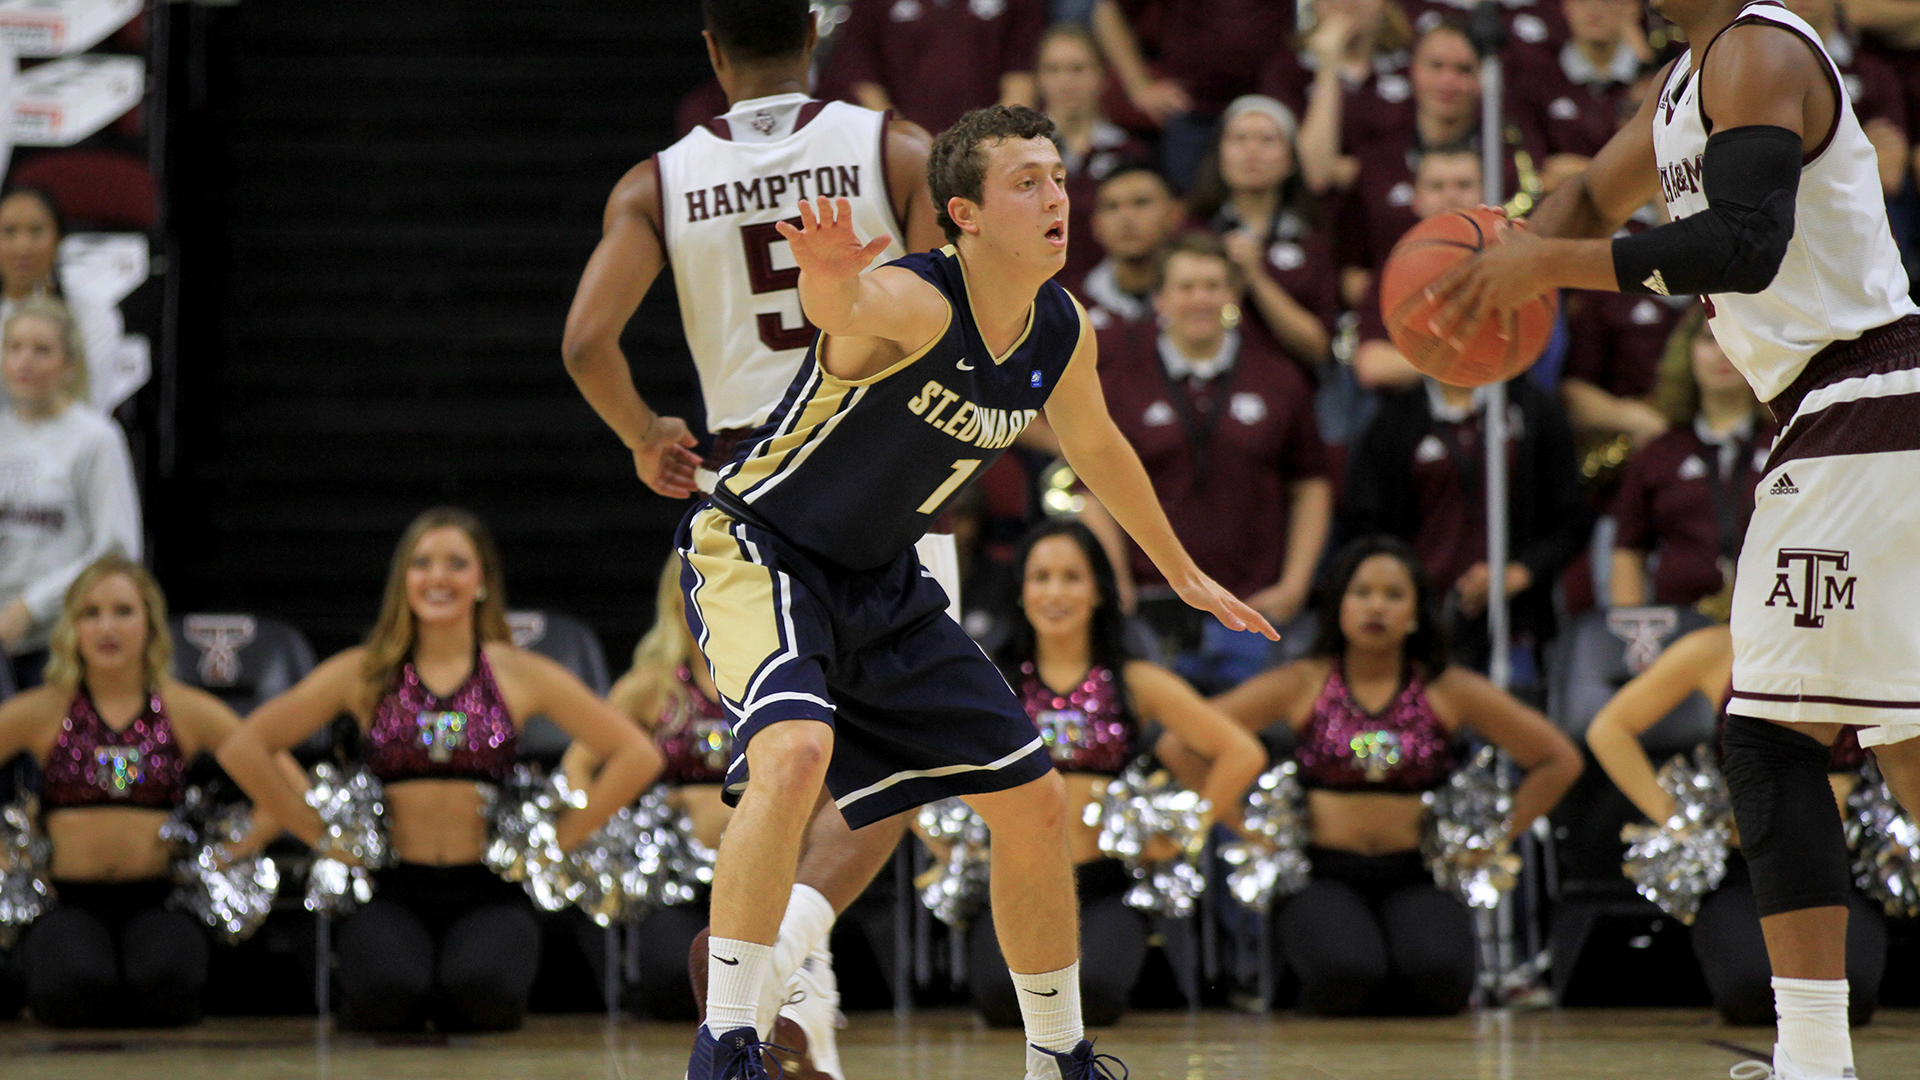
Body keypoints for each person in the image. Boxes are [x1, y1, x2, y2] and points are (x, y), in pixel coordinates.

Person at [678, 103, 1274, 1080]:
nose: (1056, 198)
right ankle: (729, 1043)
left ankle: (1059, 1058)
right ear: (964, 213)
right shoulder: (918, 301)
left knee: (1034, 801)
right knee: (793, 754)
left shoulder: (1059, 326)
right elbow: (848, 319)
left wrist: (1182, 570)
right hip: (766, 547)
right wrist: (829, 283)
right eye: (1027, 183)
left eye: (1058, 176)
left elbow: (1098, 448)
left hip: (884, 577)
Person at [1431, 0, 1920, 1071]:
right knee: (1899, 735)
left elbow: (1744, 247)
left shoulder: (1758, 50)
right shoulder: (1681, 89)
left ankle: (1814, 1058)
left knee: (1771, 735)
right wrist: (1489, 262)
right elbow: (1584, 195)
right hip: (1851, 417)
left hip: (1861, 404)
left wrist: (1547, 272)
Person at [559, 2, 952, 1071]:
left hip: (748, 482)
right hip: (876, 470)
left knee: (787, 762)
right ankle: (787, 947)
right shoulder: (894, 149)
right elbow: (948, 313)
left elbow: (587, 340)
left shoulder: (655, 181)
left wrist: (645, 434)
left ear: (713, 51)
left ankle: (792, 1005)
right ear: (814, 38)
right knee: (906, 765)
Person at [216, 508, 660, 1033]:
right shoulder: (366, 671)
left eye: (457, 563)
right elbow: (246, 747)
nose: (438, 577)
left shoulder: (517, 672)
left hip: (490, 888)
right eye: (422, 563)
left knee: (482, 999)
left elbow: (638, 753)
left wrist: (562, 838)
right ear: (403, 580)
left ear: (482, 583)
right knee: (389, 999)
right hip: (389, 887)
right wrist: (316, 832)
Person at [1215, 536, 1582, 1015]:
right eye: (1362, 592)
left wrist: (1494, 837)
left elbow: (1559, 760)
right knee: (1345, 975)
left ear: (1415, 611)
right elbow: (1185, 741)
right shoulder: (1301, 681)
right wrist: (1243, 825)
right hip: (1320, 874)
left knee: (1440, 982)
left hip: (1418, 873)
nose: (1376, 607)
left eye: (1393, 595)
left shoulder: (1447, 687)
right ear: (1338, 605)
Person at [966, 520, 1265, 1026]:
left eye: (1072, 577)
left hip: (1106, 885)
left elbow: (1241, 752)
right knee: (1001, 1003)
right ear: (1020, 591)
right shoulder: (991, 677)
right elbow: (912, 755)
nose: (1055, 592)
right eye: (1041, 577)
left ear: (1099, 592)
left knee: (1097, 998)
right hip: (1015, 883)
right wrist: (941, 837)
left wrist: (1186, 832)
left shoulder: (1134, 678)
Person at [0, 556, 290, 1026]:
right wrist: (7, 857)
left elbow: (284, 787)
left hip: (160, 899)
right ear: (70, 628)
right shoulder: (44, 709)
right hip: (68, 900)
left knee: (167, 990)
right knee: (71, 991)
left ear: (151, 624)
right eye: (90, 613)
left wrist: (224, 853)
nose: (106, 627)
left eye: (123, 611)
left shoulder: (186, 708)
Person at [1586, 624, 1888, 1028]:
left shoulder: (1876, 642)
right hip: (1746, 859)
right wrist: (1683, 823)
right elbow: (1609, 729)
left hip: (1840, 858)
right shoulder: (1715, 648)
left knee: (1851, 996)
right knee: (1752, 991)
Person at [1090, 232, 1333, 691]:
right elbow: (1094, 490)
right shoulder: (1120, 382)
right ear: (1161, 299)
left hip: (1254, 603)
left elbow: (1311, 486)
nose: (1199, 299)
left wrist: (1296, 585)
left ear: (1233, 295)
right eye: (1186, 287)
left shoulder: (1280, 378)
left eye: (1212, 286)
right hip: (1149, 604)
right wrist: (1115, 582)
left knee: (1251, 740)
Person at [565, 555, 733, 1021]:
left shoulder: (768, 682)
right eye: (694, 581)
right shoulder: (649, 686)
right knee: (674, 981)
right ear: (673, 597)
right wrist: (602, 834)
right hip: (672, 880)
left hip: (756, 867)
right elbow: (578, 764)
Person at [1342, 368, 1589, 682]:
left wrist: (1517, 573)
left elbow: (1572, 518)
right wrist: (1403, 590)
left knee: (1511, 722)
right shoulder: (1395, 419)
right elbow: (1366, 528)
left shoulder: (1531, 408)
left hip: (1514, 624)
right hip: (1419, 627)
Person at [1320, 20, 1543, 307]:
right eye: (1436, 66)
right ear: (1412, 70)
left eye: (1463, 69)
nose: (1448, 82)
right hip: (1392, 315)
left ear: (1483, 78)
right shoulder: (1377, 158)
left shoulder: (1509, 163)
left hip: (1488, 309)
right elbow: (1350, 270)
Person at [0, 298, 142, 690]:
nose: (25, 361)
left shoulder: (95, 439)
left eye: (41, 350)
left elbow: (116, 552)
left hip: (60, 645)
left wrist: (31, 608)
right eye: (15, 348)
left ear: (68, 364)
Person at [1609, 305, 1775, 612]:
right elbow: (1628, 551)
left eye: (1732, 339)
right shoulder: (1658, 453)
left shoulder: (1786, 442)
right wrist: (1632, 633)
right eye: (1708, 340)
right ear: (1687, 352)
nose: (1721, 352)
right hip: (1680, 624)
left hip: (1771, 621)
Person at [1190, 95, 1341, 371]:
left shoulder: (1313, 239)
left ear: (1291, 161)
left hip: (1290, 386)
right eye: (1239, 139)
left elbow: (1320, 349)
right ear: (1219, 153)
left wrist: (1256, 278)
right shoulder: (1192, 230)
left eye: (1267, 140)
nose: (1252, 151)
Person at [1089, 0, 1298, 190]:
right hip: (1193, 111)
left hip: (1269, 110)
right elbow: (1108, 10)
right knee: (1190, 215)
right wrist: (1139, 86)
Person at [0, 188, 140, 415]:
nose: (22, 246)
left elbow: (88, 408)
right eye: (9, 232)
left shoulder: (94, 317)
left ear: (58, 239)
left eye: (36, 231)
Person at [1035, 24, 1151, 294]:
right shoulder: (1019, 155)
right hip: (1037, 297)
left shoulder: (1130, 152)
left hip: (1111, 299)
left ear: (1102, 76)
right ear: (1039, 78)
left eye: (1077, 69)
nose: (1066, 81)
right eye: (1053, 69)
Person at [825, 0, 1044, 136]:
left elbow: (1021, 78)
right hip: (907, 149)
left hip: (986, 149)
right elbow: (862, 79)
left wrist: (988, 145)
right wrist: (906, 143)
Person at [1508, 0, 1655, 195]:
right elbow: (1541, 176)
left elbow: (1659, 172)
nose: (1595, 11)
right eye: (1583, 1)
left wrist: (1577, 170)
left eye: (1608, 2)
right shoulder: (1538, 80)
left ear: (1633, 8)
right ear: (1565, 6)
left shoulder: (1656, 80)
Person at [1259, 0, 1416, 159]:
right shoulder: (1287, 71)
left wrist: (1360, 170)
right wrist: (1328, 65)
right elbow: (1312, 171)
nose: (1344, 2)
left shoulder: (1414, 66)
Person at [1079, 161, 1183, 328]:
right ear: (1095, 224)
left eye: (1141, 202)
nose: (1125, 218)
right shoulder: (1071, 306)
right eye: (1112, 207)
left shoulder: (1202, 297)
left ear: (1174, 214)